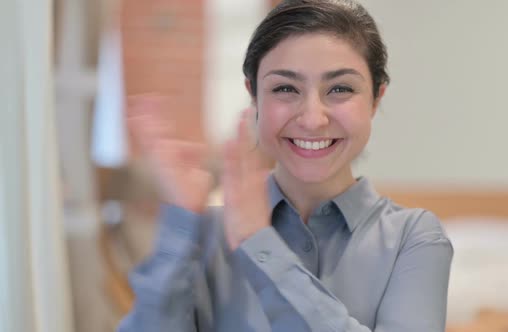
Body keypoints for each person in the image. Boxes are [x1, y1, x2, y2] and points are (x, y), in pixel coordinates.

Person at [118, 0, 453, 331]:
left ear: (376, 99)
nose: (312, 119)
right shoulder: (207, 234)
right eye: (285, 88)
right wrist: (182, 220)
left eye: (340, 88)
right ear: (254, 96)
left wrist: (260, 244)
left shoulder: (414, 239)